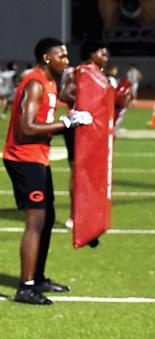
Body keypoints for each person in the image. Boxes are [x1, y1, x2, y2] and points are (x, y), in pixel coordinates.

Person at [3, 38, 93, 305]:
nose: (66, 61)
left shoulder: (52, 83)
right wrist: (66, 123)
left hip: (38, 157)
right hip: (24, 158)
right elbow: (26, 128)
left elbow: (62, 105)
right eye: (61, 56)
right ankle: (26, 287)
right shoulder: (35, 83)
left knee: (48, 217)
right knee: (36, 222)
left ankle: (38, 277)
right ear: (46, 58)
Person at [59, 39, 110, 230]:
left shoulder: (99, 74)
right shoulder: (80, 72)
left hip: (94, 129)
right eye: (102, 53)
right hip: (78, 128)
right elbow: (65, 94)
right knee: (77, 172)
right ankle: (74, 215)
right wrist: (84, 106)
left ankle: (88, 212)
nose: (105, 57)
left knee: (93, 172)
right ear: (91, 54)